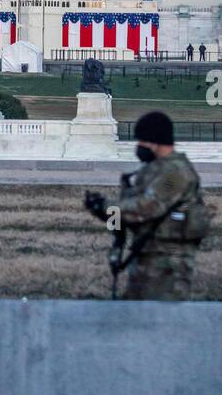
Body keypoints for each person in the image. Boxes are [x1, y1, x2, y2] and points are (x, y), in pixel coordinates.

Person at [83, 110, 209, 300]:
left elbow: (147, 207)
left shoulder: (176, 174)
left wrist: (107, 207)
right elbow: (125, 215)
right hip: (145, 256)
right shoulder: (151, 171)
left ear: (155, 141)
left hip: (168, 265)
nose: (139, 146)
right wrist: (104, 211)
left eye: (142, 141)